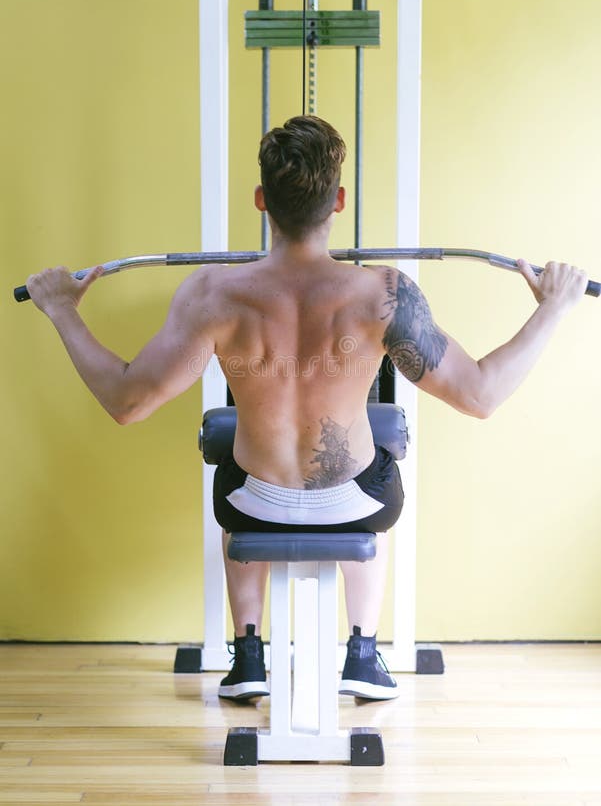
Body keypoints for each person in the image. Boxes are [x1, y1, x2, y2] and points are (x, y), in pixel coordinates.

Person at [26, 115, 588, 701]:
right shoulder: (383, 294)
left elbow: (126, 401)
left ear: (261, 200)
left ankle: (248, 655)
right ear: (338, 200)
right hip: (356, 503)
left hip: (252, 501)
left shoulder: (212, 294)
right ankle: (362, 653)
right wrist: (553, 308)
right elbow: (479, 394)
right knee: (384, 449)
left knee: (228, 458)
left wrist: (62, 310)